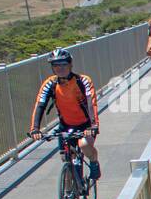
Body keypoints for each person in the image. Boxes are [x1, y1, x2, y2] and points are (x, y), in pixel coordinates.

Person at [28, 48, 101, 180]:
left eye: (63, 64)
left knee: (84, 145)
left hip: (86, 125)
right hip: (65, 126)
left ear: (70, 64)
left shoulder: (83, 81)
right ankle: (70, 195)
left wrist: (93, 125)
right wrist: (35, 129)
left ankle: (94, 162)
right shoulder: (50, 83)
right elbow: (40, 105)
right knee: (66, 159)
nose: (60, 68)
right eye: (56, 65)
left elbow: (91, 103)